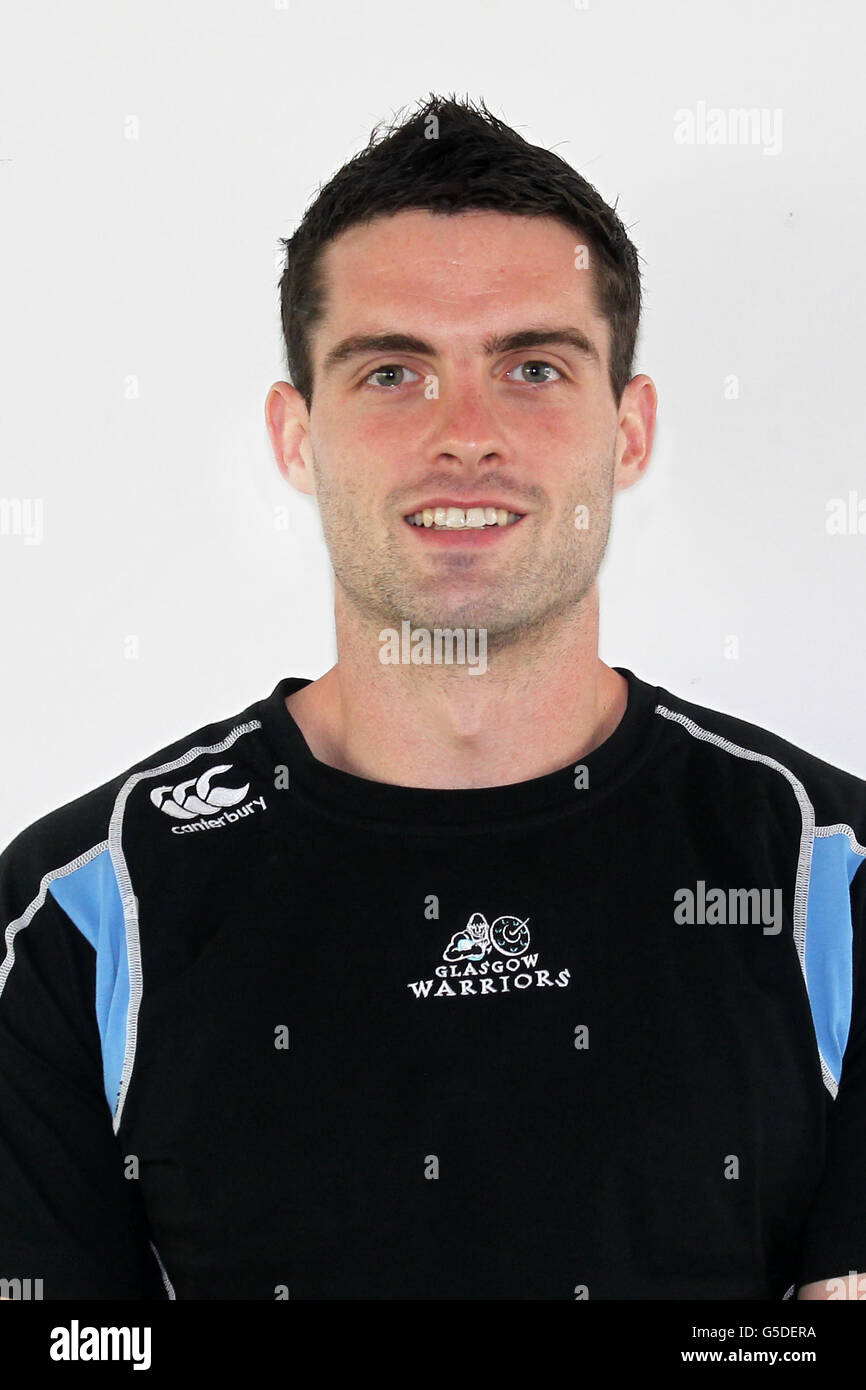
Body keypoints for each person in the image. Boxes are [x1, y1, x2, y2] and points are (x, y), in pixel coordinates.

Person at [1, 93, 863, 1302]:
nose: (466, 435)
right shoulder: (87, 914)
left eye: (531, 366)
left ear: (628, 429)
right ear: (295, 438)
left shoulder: (831, 878)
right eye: (393, 371)